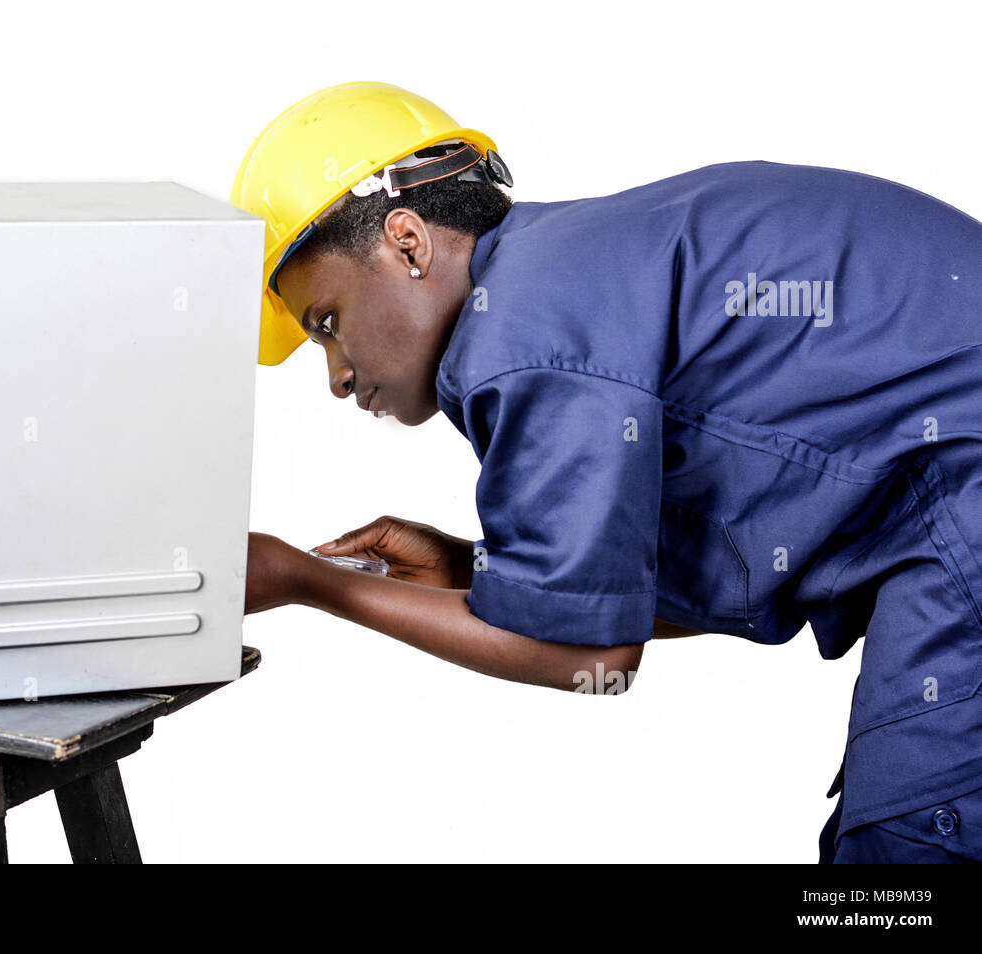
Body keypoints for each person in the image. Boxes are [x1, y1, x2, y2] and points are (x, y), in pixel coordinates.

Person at [232, 81, 982, 863]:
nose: (337, 377)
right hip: (948, 509)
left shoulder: (523, 332)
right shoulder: (570, 276)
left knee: (902, 863)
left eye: (327, 324)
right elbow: (612, 609)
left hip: (965, 508)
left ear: (408, 242)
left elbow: (594, 660)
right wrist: (479, 572)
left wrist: (310, 582)